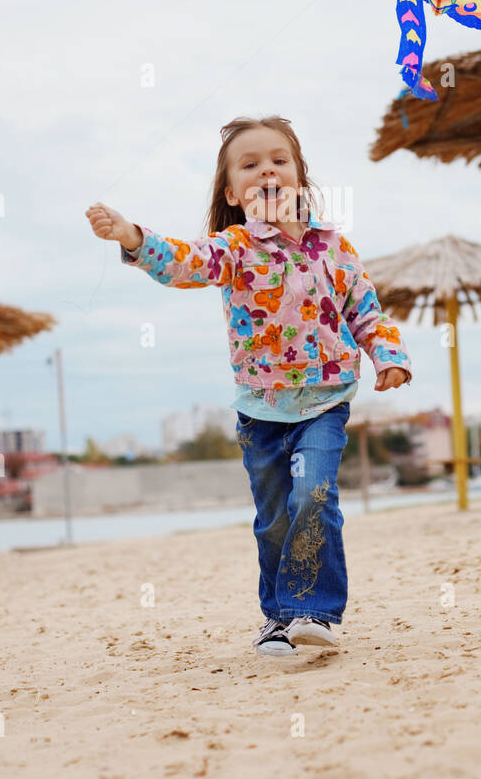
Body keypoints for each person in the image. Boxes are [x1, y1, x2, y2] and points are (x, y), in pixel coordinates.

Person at [85, 114, 412, 658]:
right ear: (233, 192)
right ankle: (279, 617)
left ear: (300, 178)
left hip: (324, 402)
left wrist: (388, 356)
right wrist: (133, 238)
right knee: (275, 517)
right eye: (250, 164)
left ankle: (318, 612)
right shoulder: (234, 248)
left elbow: (367, 311)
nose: (267, 172)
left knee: (314, 494)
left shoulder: (336, 248)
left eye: (279, 161)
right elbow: (185, 262)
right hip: (260, 410)